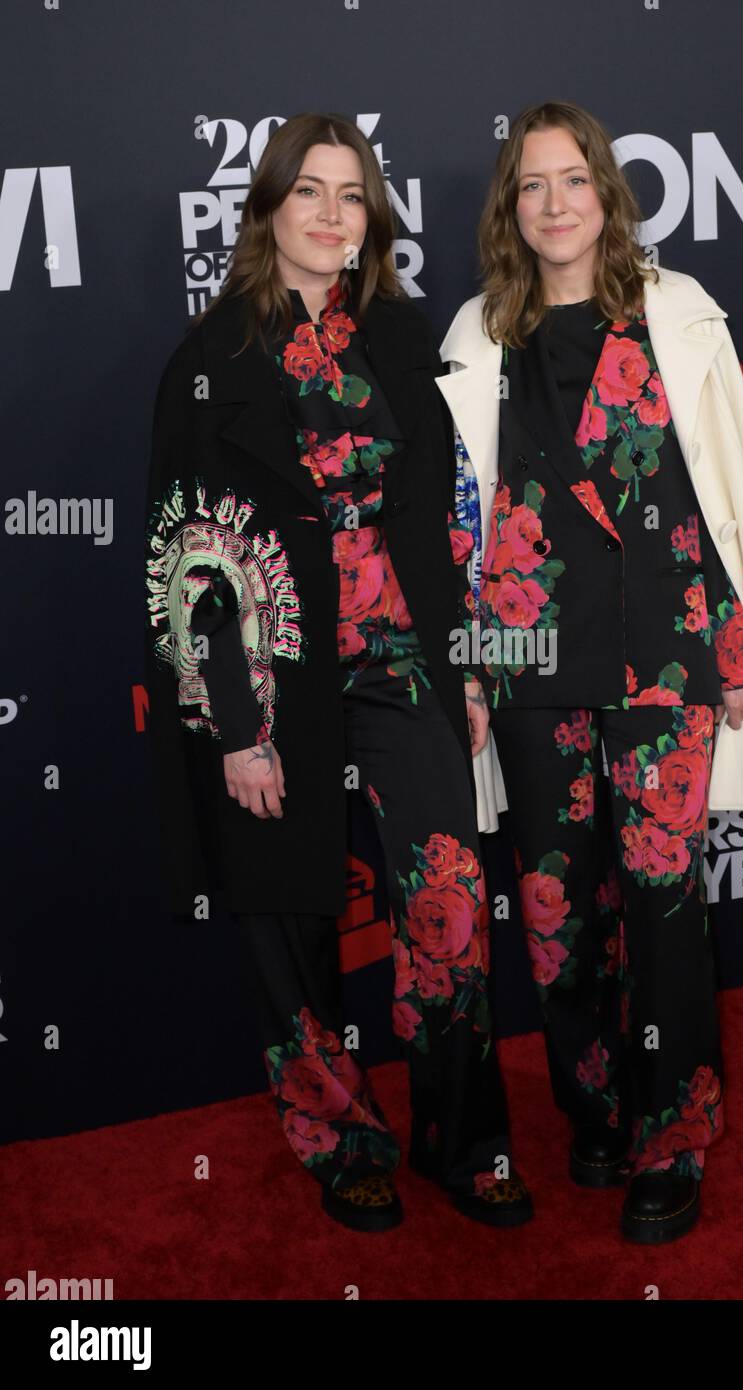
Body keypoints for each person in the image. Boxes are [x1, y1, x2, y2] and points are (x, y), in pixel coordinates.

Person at [437, 100, 743, 1244]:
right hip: (525, 663)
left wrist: (739, 641)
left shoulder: (675, 313)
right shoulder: (479, 331)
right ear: (509, 207)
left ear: (606, 193)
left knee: (662, 910)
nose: (554, 203)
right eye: (531, 185)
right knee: (557, 918)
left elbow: (728, 501)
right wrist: (469, 661)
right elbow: (462, 520)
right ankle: (596, 1112)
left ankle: (674, 1135)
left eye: (573, 180)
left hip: (664, 658)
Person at [143, 112, 532, 1233]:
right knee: (289, 912)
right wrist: (235, 724)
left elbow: (441, 520)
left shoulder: (404, 343)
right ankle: (338, 1135)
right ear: (265, 209)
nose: (328, 214)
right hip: (276, 681)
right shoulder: (211, 361)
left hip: (405, 657)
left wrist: (463, 663)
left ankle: (464, 1137)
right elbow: (187, 549)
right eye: (305, 191)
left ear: (374, 218)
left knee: (450, 895)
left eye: (350, 194)